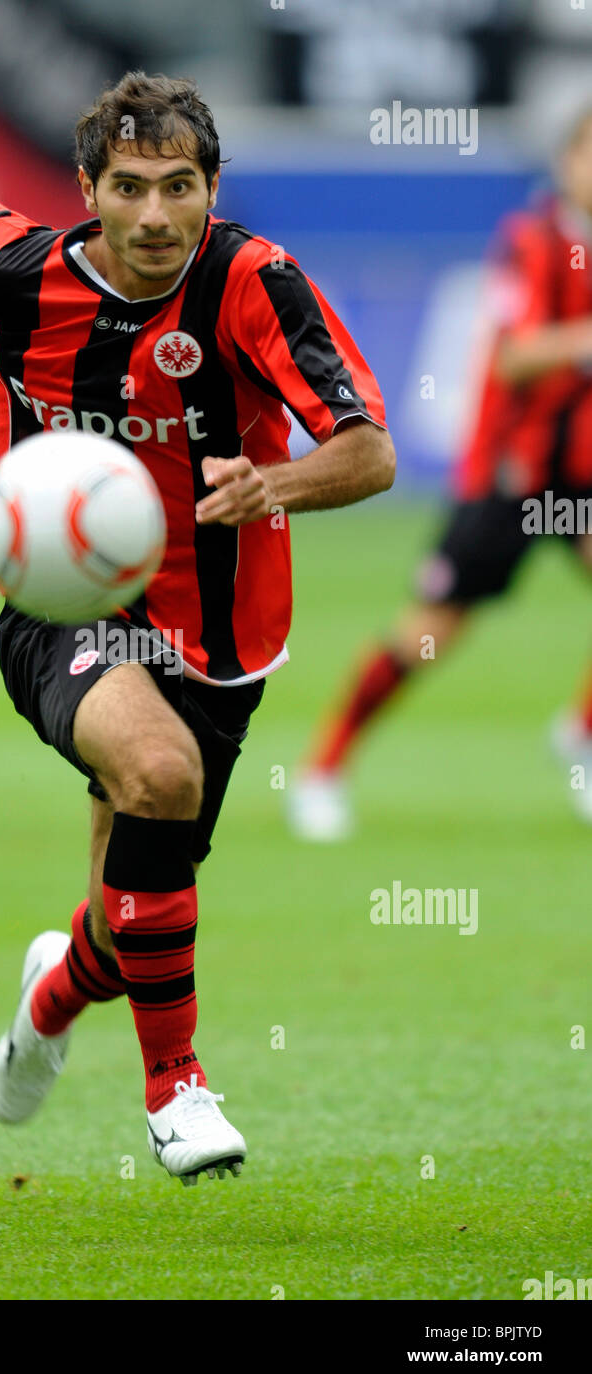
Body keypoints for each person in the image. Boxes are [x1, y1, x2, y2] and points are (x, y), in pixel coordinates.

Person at [0, 72, 394, 1185]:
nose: (154, 216)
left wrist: (271, 487)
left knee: (131, 897)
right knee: (156, 769)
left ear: (211, 187)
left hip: (224, 638)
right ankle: (175, 1088)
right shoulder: (21, 269)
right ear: (86, 189)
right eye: (129, 188)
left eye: (178, 188)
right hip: (61, 605)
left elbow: (368, 448)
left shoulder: (254, 282)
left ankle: (51, 996)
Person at [288, 105, 592, 840]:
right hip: (512, 477)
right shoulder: (530, 243)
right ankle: (322, 769)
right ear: (565, 161)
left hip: (583, 477)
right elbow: (514, 354)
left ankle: (579, 734)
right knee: (429, 634)